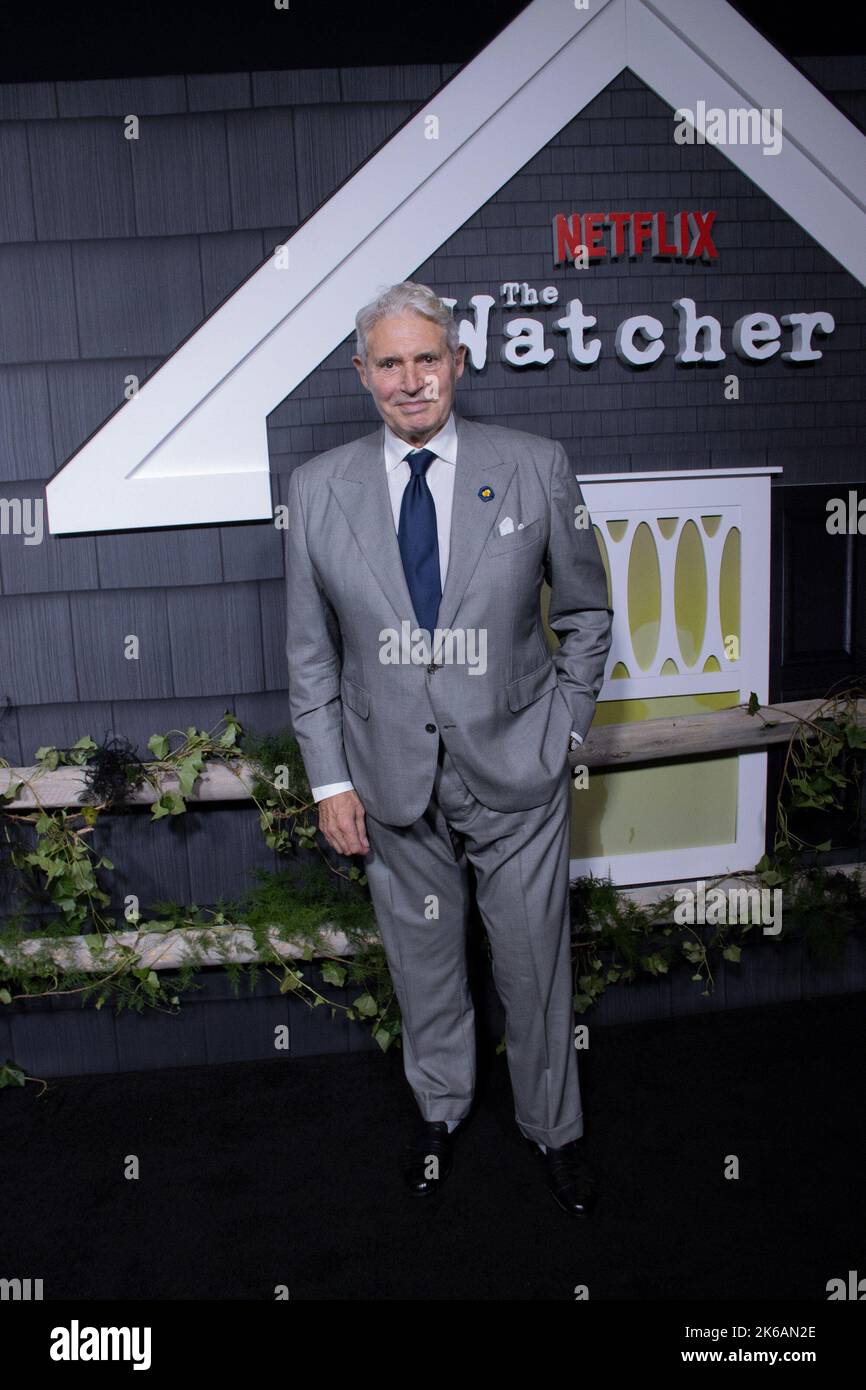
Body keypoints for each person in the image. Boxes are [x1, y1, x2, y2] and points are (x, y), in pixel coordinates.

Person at [285, 281, 613, 1215]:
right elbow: (311, 657)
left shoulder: (535, 465)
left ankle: (555, 1130)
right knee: (423, 964)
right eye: (389, 363)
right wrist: (330, 781)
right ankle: (440, 1111)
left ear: (457, 362)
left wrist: (564, 730)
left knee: (532, 968)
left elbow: (588, 614)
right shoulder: (316, 492)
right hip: (390, 781)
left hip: (517, 772)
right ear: (362, 375)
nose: (410, 379)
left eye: (427, 358)